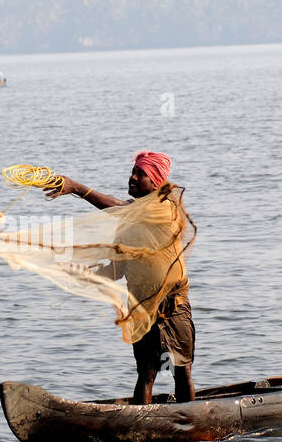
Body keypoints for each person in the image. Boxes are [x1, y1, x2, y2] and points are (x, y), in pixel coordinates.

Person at [44, 151, 195, 404]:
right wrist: (88, 276)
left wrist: (77, 188)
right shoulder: (131, 222)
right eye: (133, 172)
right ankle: (142, 426)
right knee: (146, 374)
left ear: (156, 181)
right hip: (140, 307)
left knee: (181, 370)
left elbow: (120, 209)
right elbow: (118, 269)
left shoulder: (165, 209)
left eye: (140, 173)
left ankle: (190, 422)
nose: (132, 177)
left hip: (172, 306)